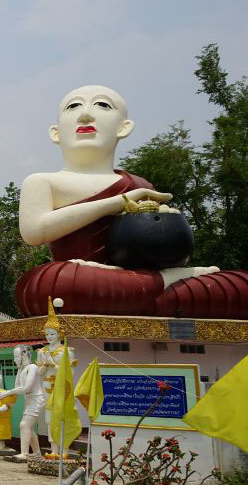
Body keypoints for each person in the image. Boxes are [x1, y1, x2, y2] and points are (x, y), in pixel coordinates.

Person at [16, 85, 248, 317]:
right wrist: (118, 202)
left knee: (240, 286)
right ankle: (164, 285)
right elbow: (34, 232)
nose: (85, 114)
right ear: (55, 132)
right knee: (48, 285)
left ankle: (154, 286)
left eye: (102, 105)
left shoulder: (139, 185)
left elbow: (158, 247)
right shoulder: (42, 181)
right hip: (81, 279)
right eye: (73, 106)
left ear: (123, 127)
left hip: (131, 279)